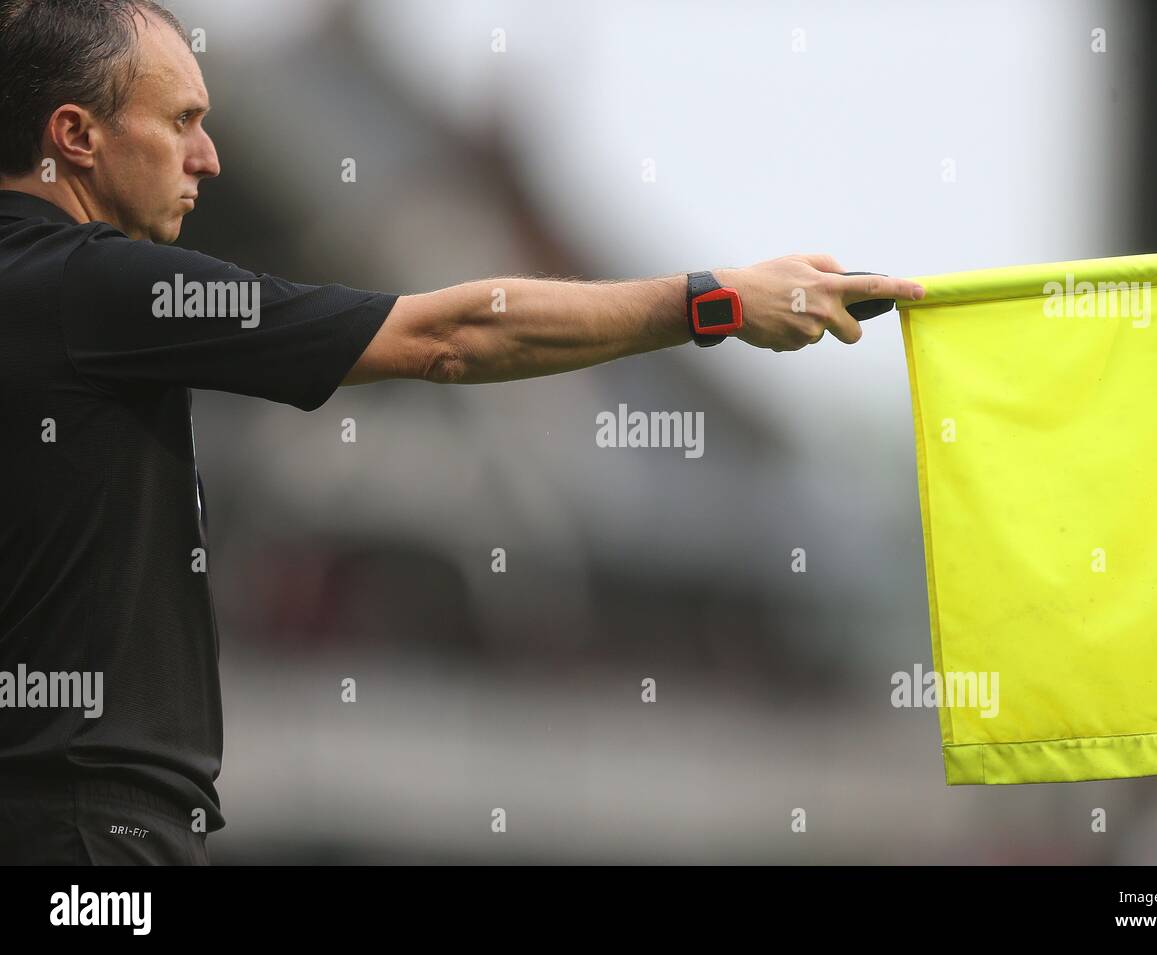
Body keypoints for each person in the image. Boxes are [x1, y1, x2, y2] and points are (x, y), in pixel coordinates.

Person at [0, 0, 924, 865]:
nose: (209, 158)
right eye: (181, 122)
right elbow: (448, 336)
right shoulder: (99, 287)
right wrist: (714, 301)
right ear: (75, 136)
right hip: (87, 832)